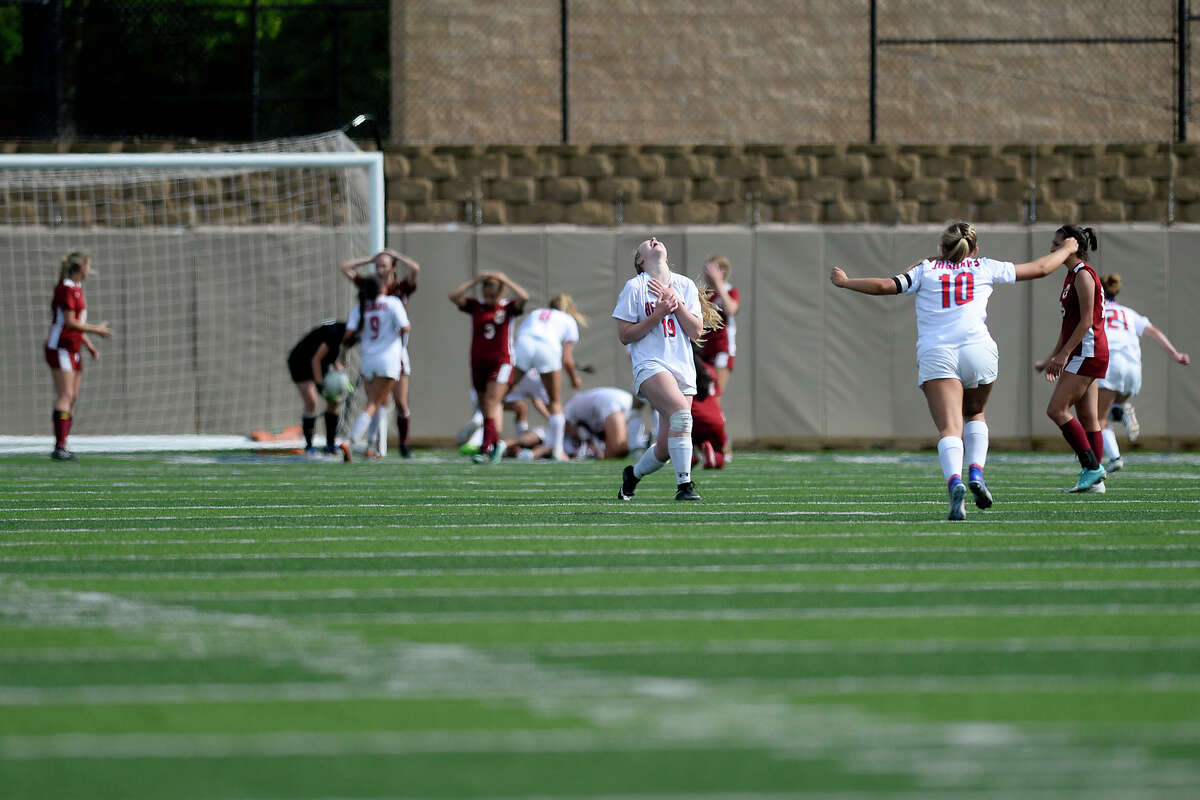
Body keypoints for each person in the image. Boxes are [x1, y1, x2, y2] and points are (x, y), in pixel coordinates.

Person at [830, 221, 1080, 520]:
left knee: (950, 429)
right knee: (975, 413)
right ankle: (976, 472)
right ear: (975, 249)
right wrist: (1067, 248)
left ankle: (955, 483)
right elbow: (1040, 268)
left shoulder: (925, 269)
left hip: (938, 352)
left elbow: (887, 286)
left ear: (941, 248)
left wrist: (846, 281)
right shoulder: (984, 266)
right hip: (979, 350)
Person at [613, 237, 722, 501]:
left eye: (656, 240)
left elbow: (696, 330)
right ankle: (685, 486)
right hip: (650, 364)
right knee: (683, 417)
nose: (653, 240)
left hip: (681, 366)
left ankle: (633, 476)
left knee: (664, 448)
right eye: (645, 243)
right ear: (640, 261)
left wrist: (677, 303)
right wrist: (659, 312)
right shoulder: (634, 287)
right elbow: (625, 335)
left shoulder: (683, 284)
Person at [1033, 225, 1110, 493]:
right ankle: (1095, 481)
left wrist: (1064, 355)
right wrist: (1053, 356)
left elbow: (1087, 321)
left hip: (1087, 351)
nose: (1053, 249)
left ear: (1073, 245)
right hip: (1085, 351)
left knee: (1056, 410)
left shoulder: (1083, 276)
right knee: (1089, 419)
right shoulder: (1071, 275)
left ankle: (1092, 467)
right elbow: (1069, 324)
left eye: (1057, 244)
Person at [1093, 272, 1190, 473]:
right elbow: (1155, 332)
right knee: (1109, 408)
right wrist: (1176, 354)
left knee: (1097, 418)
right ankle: (1120, 409)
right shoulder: (1129, 313)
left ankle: (1115, 458)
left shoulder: (1095, 311)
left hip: (1111, 363)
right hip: (1133, 367)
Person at [341, 248, 421, 456]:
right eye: (377, 266)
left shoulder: (393, 292)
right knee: (376, 403)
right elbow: (406, 328)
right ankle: (358, 442)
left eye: (384, 265)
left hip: (370, 356)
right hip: (390, 356)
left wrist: (343, 354)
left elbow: (414, 269)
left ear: (393, 268)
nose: (380, 269)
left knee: (392, 402)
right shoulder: (385, 298)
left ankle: (379, 444)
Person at [449, 270, 529, 463]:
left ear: (501, 292)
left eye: (493, 294)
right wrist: (476, 280)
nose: (489, 298)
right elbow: (454, 296)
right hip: (478, 362)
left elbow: (524, 297)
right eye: (486, 293)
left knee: (492, 402)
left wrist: (505, 278)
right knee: (485, 406)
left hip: (501, 361)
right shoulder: (477, 306)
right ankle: (494, 445)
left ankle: (485, 448)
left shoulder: (507, 307)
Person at [44, 251, 113, 461]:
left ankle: (63, 443)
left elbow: (77, 326)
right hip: (61, 346)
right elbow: (70, 323)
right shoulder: (65, 288)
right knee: (65, 396)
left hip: (73, 347)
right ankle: (59, 446)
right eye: (87, 266)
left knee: (72, 397)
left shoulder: (76, 288)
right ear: (81, 267)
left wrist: (88, 344)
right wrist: (96, 330)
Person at [508, 294, 587, 460]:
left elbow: (519, 337)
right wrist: (574, 379)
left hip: (524, 344)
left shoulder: (536, 313)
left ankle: (485, 434)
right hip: (548, 348)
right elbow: (567, 360)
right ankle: (557, 451)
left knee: (501, 393)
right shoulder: (568, 320)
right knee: (555, 402)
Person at [287, 319, 353, 459]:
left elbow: (329, 358)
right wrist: (321, 386)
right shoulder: (335, 333)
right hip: (300, 362)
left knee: (334, 402)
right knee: (312, 401)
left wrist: (340, 375)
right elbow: (315, 359)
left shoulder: (348, 337)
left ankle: (330, 445)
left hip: (317, 363)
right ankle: (309, 447)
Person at [698, 255, 740, 461]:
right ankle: (706, 444)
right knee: (702, 400)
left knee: (715, 399)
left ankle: (723, 447)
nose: (707, 272)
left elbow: (731, 309)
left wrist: (719, 283)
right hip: (703, 352)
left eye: (712, 269)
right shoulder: (704, 294)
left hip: (721, 352)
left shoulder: (728, 290)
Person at [564, 386, 645, 460]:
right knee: (611, 456)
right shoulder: (581, 411)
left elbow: (568, 425)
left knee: (619, 448)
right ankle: (639, 445)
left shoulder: (569, 410)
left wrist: (587, 439)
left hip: (611, 401)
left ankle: (641, 445)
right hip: (617, 400)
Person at [690, 346, 728, 469]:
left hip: (694, 418)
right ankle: (712, 455)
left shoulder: (685, 369)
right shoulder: (710, 370)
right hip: (716, 419)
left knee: (678, 431)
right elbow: (717, 396)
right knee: (720, 455)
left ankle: (691, 457)